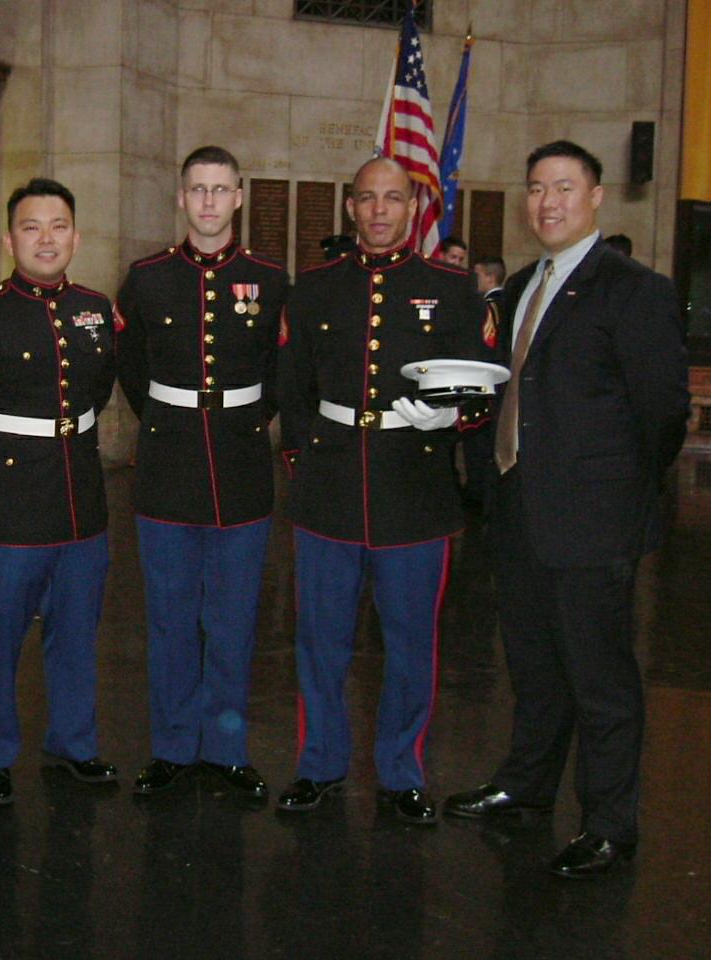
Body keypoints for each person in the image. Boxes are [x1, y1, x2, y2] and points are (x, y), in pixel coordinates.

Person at [444, 141, 688, 879]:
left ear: (595, 197)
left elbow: (662, 413)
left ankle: (611, 824)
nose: (547, 201)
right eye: (536, 188)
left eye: (563, 187)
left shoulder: (632, 289)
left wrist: (619, 498)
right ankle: (526, 785)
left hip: (592, 522)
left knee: (600, 678)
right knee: (534, 665)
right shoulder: (521, 286)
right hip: (519, 512)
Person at [276, 156, 487, 822]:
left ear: (412, 206)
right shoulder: (312, 289)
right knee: (320, 642)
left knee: (411, 644)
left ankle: (401, 772)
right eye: (366, 199)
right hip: (331, 487)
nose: (378, 211)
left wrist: (448, 410)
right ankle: (320, 766)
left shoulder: (451, 290)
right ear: (350, 208)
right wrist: (304, 463)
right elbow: (294, 384)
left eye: (392, 199)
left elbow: (483, 381)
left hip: (416, 489)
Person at [0, 178, 118, 805]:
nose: (46, 239)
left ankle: (73, 744)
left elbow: (100, 387)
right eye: (31, 227)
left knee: (75, 633)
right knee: (1, 633)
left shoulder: (95, 308)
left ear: (75, 235)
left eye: (58, 226)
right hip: (8, 504)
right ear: (10, 239)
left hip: (80, 500)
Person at [115, 145, 288, 800]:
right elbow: (132, 367)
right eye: (198, 190)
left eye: (221, 189)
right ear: (181, 198)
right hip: (168, 463)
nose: (210, 201)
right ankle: (171, 746)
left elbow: (280, 372)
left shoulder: (270, 279)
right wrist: (167, 419)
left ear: (239, 196)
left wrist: (247, 420)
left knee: (235, 617)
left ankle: (227, 746)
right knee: (169, 616)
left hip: (241, 463)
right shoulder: (147, 276)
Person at [460, 255, 508, 504]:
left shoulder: (486, 307)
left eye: (476, 273)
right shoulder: (510, 301)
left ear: (490, 277)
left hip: (484, 391)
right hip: (503, 391)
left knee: (480, 455)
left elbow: (484, 348)